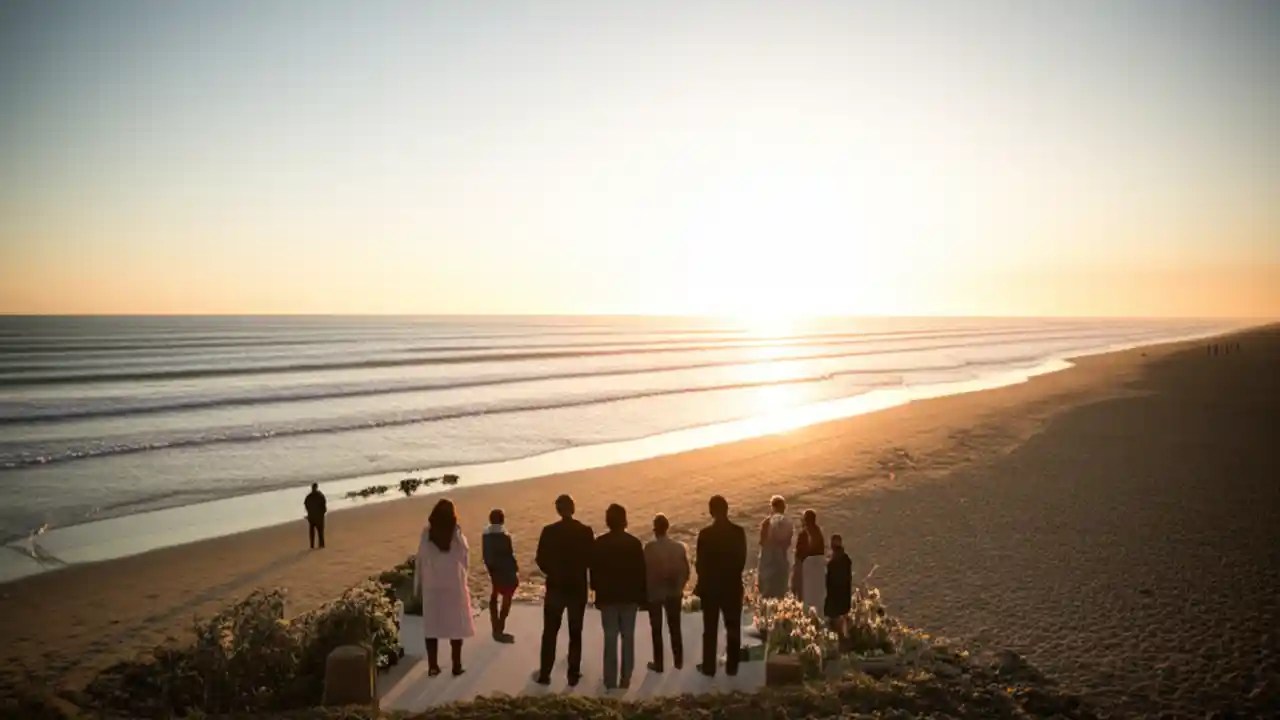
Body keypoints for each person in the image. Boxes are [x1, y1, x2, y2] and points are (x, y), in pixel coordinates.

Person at [534, 494, 594, 686]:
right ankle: (573, 674)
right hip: (577, 586)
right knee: (575, 632)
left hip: (556, 586)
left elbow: (540, 559)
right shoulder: (585, 531)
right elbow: (590, 559)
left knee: (550, 632)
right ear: (573, 508)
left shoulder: (549, 531)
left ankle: (545, 673)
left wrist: (553, 572)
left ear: (558, 510)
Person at [414, 499, 475, 677]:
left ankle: (433, 666)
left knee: (432, 627)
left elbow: (421, 559)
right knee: (456, 627)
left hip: (432, 587)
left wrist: (418, 585)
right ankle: (456, 665)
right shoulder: (456, 535)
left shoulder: (427, 535)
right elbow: (464, 558)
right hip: (453, 586)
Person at [590, 504, 647, 690]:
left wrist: (596, 591)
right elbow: (641, 573)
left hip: (607, 598)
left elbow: (594, 572)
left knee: (610, 639)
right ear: (624, 520)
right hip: (629, 598)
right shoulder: (634, 543)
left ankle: (610, 680)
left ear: (608, 521)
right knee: (628, 638)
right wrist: (642, 597)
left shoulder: (599, 543)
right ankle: (626, 678)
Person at [693, 494, 747, 677]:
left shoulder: (705, 534)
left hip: (711, 588)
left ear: (711, 511)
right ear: (727, 509)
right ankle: (733, 667)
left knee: (710, 630)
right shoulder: (738, 532)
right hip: (732, 586)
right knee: (733, 627)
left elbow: (700, 564)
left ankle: (709, 667)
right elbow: (742, 560)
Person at [644, 513, 689, 673]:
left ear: (655, 529)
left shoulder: (649, 548)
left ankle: (659, 664)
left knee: (657, 630)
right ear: (667, 528)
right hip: (674, 592)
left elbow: (643, 572)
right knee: (675, 628)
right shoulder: (679, 547)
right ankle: (678, 662)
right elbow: (686, 571)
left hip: (655, 594)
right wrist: (680, 587)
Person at [482, 508, 518, 643]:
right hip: (506, 571)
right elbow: (509, 555)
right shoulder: (505, 536)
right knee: (507, 598)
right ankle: (500, 626)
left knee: (494, 595)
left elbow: (486, 556)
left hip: (494, 571)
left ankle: (495, 625)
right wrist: (515, 568)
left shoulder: (485, 536)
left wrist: (491, 570)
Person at [756, 495, 793, 599]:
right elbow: (788, 541)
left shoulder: (766, 523)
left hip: (768, 557)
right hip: (782, 556)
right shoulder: (788, 523)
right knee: (780, 584)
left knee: (767, 585)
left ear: (773, 507)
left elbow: (762, 541)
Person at [791, 509, 825, 605]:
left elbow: (799, 553)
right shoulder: (818, 533)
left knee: (801, 591)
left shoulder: (804, 534)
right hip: (815, 569)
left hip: (804, 567)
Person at [825, 534, 853, 636]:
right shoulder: (846, 560)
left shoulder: (832, 563)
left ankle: (838, 639)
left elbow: (828, 583)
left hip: (834, 601)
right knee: (843, 621)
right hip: (845, 598)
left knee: (834, 625)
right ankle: (844, 635)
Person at [304, 483, 326, 549]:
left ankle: (312, 545)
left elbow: (306, 504)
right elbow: (324, 505)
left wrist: (309, 512)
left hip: (312, 516)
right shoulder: (320, 495)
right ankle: (321, 544)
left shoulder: (309, 496)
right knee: (320, 531)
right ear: (316, 487)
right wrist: (323, 513)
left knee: (312, 532)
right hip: (318, 516)